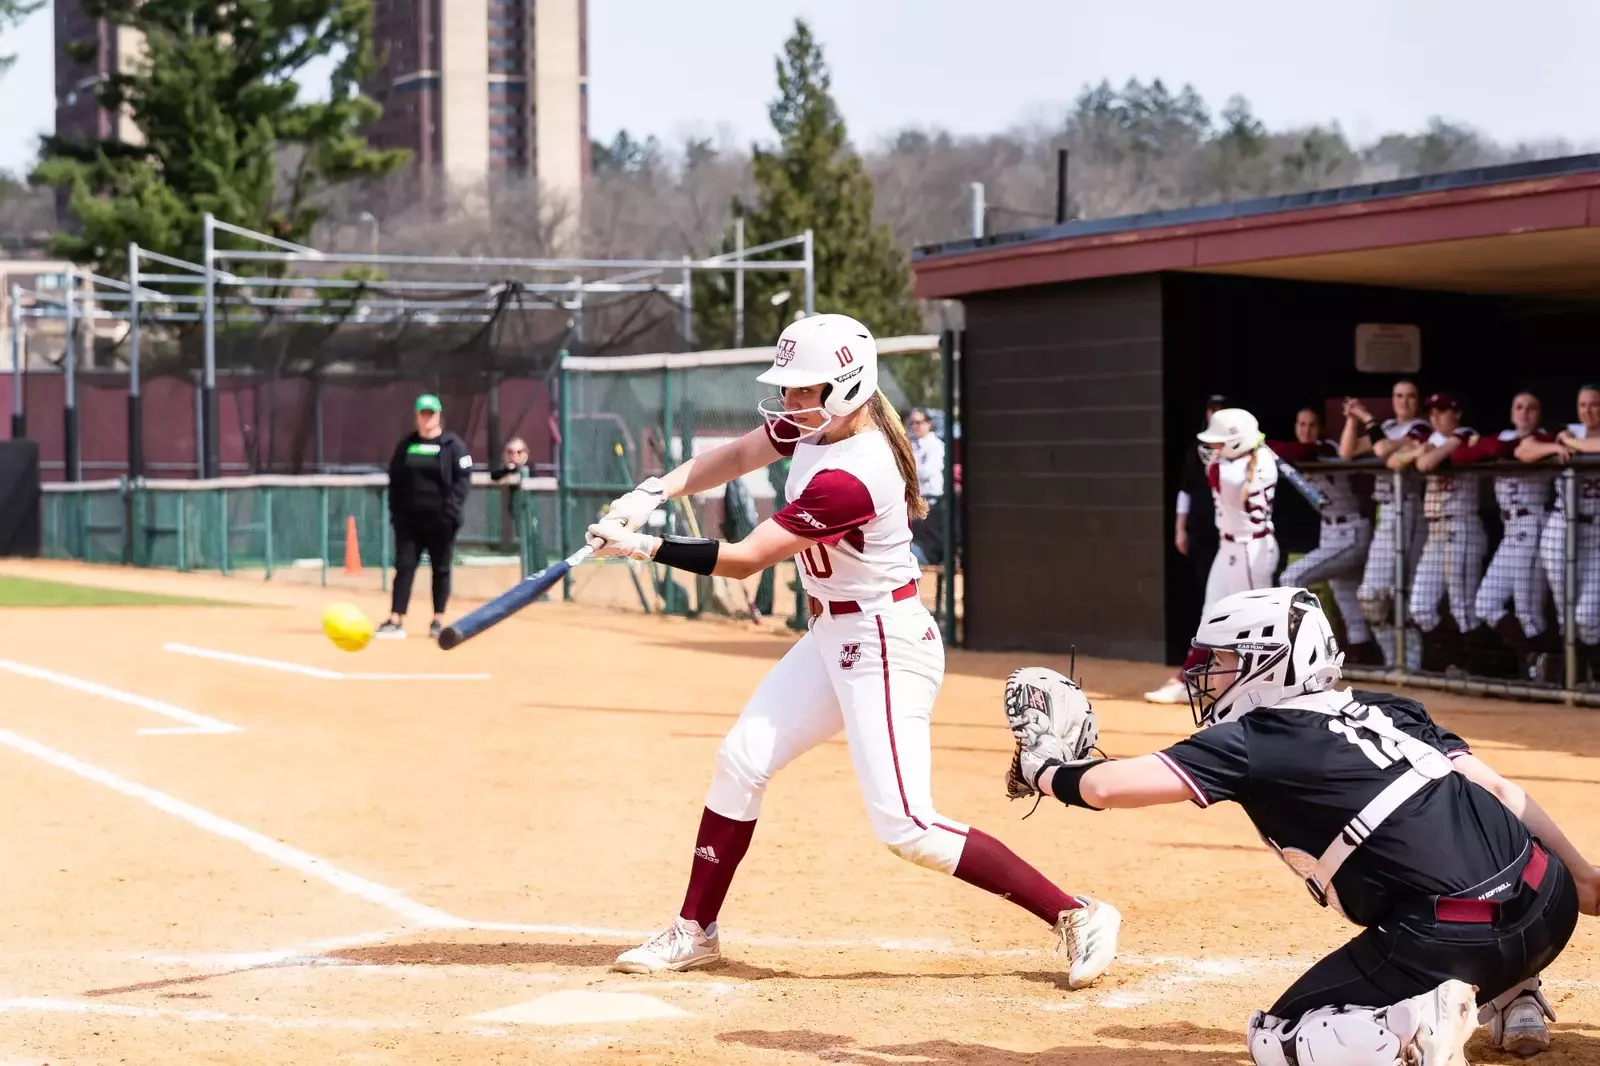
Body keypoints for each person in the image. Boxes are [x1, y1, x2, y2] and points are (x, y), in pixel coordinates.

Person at [583, 313, 1120, 984]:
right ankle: (695, 930)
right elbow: (739, 456)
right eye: (787, 388)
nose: (789, 401)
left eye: (803, 389)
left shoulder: (856, 473)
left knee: (907, 827)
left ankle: (1076, 912)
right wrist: (653, 490)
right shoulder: (817, 423)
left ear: (846, 388)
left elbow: (746, 559)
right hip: (832, 633)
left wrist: (644, 545)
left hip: (884, 642)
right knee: (741, 760)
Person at [1003, 586, 1595, 1065]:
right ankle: (1516, 993)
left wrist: (1043, 768)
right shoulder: (1389, 708)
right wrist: (1584, 879)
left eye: (1224, 661)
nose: (1209, 675)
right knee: (1462, 840)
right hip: (1551, 902)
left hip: (1451, 942)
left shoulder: (1251, 740)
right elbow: (1501, 793)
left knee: (1276, 1037)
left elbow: (1106, 788)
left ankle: (1420, 1024)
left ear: (1268, 663)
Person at [1271, 404, 1379, 663]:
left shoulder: (1326, 447)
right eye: (1301, 424)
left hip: (1351, 529)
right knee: (1346, 596)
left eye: (1312, 425)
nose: (1306, 430)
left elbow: (1300, 450)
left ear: (1320, 428)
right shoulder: (1295, 453)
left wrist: (1260, 445)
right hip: (1330, 530)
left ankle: (1309, 645)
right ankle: (1363, 654)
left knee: (1291, 578)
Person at [1386, 394, 1485, 673]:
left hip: (1461, 528)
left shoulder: (1465, 434)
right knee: (1420, 607)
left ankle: (1478, 671)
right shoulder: (1432, 439)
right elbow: (1394, 460)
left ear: (1457, 413)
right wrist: (1420, 450)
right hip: (1436, 532)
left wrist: (1423, 452)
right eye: (1432, 413)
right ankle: (1454, 663)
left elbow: (1425, 464)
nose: (1436, 417)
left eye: (1442, 411)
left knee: (1462, 608)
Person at [1466, 393, 1556, 681]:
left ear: (1539, 414)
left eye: (1531, 408)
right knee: (1485, 603)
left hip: (1533, 523)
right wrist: (1491, 447)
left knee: (1529, 611)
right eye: (1519, 407)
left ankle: (1541, 676)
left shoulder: (1545, 438)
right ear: (1511, 413)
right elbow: (1468, 453)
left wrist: (1489, 447)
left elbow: (1515, 451)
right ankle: (1532, 659)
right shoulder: (1504, 437)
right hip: (1510, 529)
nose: (1524, 413)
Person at [1342, 382, 1431, 671]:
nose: (1404, 401)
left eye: (1410, 396)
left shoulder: (1421, 428)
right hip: (1387, 509)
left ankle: (1412, 665)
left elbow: (1381, 448)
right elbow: (1347, 451)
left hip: (1409, 510)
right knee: (1370, 595)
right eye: (1399, 396)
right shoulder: (1389, 427)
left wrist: (1367, 418)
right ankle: (1393, 660)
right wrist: (1352, 419)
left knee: (1401, 594)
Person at [1146, 394, 1228, 704]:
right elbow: (1188, 487)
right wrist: (1180, 528)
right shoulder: (1226, 459)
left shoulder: (1239, 464)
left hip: (1243, 547)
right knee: (1213, 610)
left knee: (1236, 613)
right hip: (1227, 544)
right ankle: (1193, 677)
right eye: (1213, 411)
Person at [380, 393, 473, 641]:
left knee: (441, 569)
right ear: (417, 416)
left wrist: (450, 511)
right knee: (404, 567)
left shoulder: (453, 445)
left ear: (439, 415)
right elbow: (395, 480)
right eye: (423, 413)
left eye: (431, 414)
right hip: (409, 522)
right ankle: (396, 619)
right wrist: (396, 513)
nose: (427, 418)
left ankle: (438, 620)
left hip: (441, 521)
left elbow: (463, 480)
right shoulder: (406, 445)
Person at [1527, 384, 1600, 679]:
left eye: (1594, 404)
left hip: (1596, 535)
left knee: (1587, 616)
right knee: (1566, 616)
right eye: (1583, 405)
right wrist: (1555, 447)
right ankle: (1571, 679)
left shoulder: (1572, 436)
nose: (1588, 411)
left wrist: (1571, 443)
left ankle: (1590, 676)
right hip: (1562, 526)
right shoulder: (1566, 431)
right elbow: (1523, 449)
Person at [906, 407, 946, 566]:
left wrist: (909, 471)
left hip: (932, 502)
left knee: (928, 544)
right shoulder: (912, 445)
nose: (915, 426)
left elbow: (928, 471)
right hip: (915, 500)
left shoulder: (935, 445)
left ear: (929, 424)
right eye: (913, 423)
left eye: (919, 422)